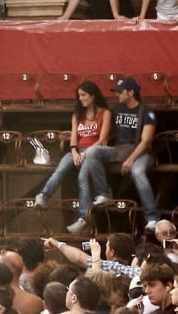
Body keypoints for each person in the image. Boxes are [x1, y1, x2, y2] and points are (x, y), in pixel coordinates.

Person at [81, 76, 160, 228]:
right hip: (119, 150)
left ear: (131, 92)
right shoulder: (117, 109)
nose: (116, 95)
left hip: (141, 153)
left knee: (137, 172)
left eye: (120, 92)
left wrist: (130, 160)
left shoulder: (146, 112)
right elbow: (107, 130)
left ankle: (152, 217)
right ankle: (105, 193)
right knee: (92, 152)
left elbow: (146, 141)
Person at [31, 81, 110, 224]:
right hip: (77, 150)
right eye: (79, 95)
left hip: (94, 152)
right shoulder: (77, 115)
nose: (80, 98)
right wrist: (74, 152)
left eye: (83, 95)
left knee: (82, 177)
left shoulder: (105, 113)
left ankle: (83, 217)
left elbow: (103, 139)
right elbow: (74, 138)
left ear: (93, 96)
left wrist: (86, 153)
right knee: (60, 169)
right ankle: (43, 196)